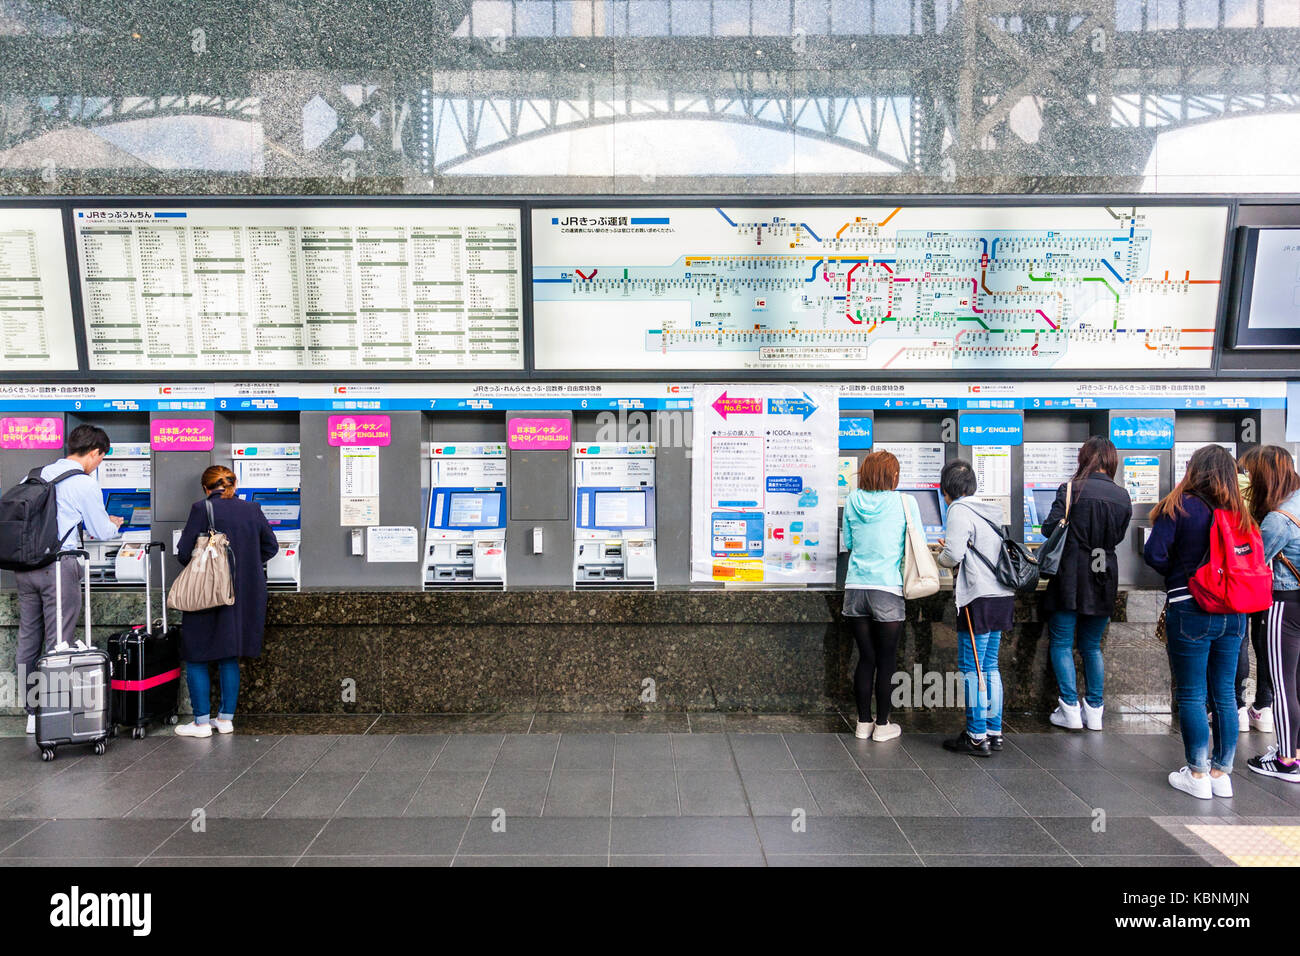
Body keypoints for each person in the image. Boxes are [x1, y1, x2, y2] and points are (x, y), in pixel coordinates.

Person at [1144, 444, 1249, 799]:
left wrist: (1180, 573)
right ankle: (1222, 773)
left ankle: (1198, 773)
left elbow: (1154, 554)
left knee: (1192, 693)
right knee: (1224, 693)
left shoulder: (1182, 506)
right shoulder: (1240, 512)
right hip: (1235, 612)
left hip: (1191, 608)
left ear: (1196, 470)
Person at [15, 424, 123, 735]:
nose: (99, 464)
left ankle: (32, 711)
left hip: (25, 567)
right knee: (58, 642)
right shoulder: (83, 483)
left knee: (27, 640)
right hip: (59, 567)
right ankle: (51, 714)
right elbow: (101, 531)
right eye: (101, 458)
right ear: (94, 453)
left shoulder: (35, 474)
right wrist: (114, 522)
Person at [172, 465, 278, 738]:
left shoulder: (201, 509)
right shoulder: (252, 509)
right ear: (234, 485)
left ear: (206, 488)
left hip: (207, 592)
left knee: (196, 656)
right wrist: (245, 565)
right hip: (244, 593)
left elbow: (184, 553)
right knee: (229, 655)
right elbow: (271, 546)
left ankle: (200, 723)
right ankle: (225, 719)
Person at [1041, 437, 1132, 731]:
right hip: (1103, 572)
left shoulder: (1071, 490)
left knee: (1063, 642)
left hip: (1070, 574)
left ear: (1085, 458)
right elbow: (1117, 537)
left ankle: (1068, 708)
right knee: (1092, 647)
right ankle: (1094, 710)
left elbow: (1048, 528)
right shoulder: (1122, 496)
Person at [936, 459, 1014, 757]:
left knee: (973, 669)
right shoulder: (990, 509)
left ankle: (975, 736)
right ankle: (993, 732)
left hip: (977, 598)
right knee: (990, 665)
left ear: (947, 491)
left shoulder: (958, 510)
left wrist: (941, 555)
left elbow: (953, 555)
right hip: (1001, 596)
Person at [841, 450, 920, 742]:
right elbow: (916, 543)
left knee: (866, 658)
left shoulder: (851, 501)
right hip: (887, 588)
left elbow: (848, 542)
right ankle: (883, 725)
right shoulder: (905, 502)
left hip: (856, 588)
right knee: (886, 660)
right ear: (893, 476)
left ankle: (863, 723)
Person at [1243, 446, 1300, 780]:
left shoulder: (1279, 519)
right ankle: (1295, 752)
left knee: (1282, 684)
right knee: (1298, 683)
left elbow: (1253, 563)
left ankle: (1286, 760)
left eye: (1253, 474)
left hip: (1283, 605)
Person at [1235, 447, 1274, 734]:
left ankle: (1236, 705)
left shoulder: (1230, 493)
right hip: (1266, 582)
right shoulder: (1273, 499)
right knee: (1264, 645)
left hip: (1237, 578)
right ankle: (1263, 707)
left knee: (1238, 640)